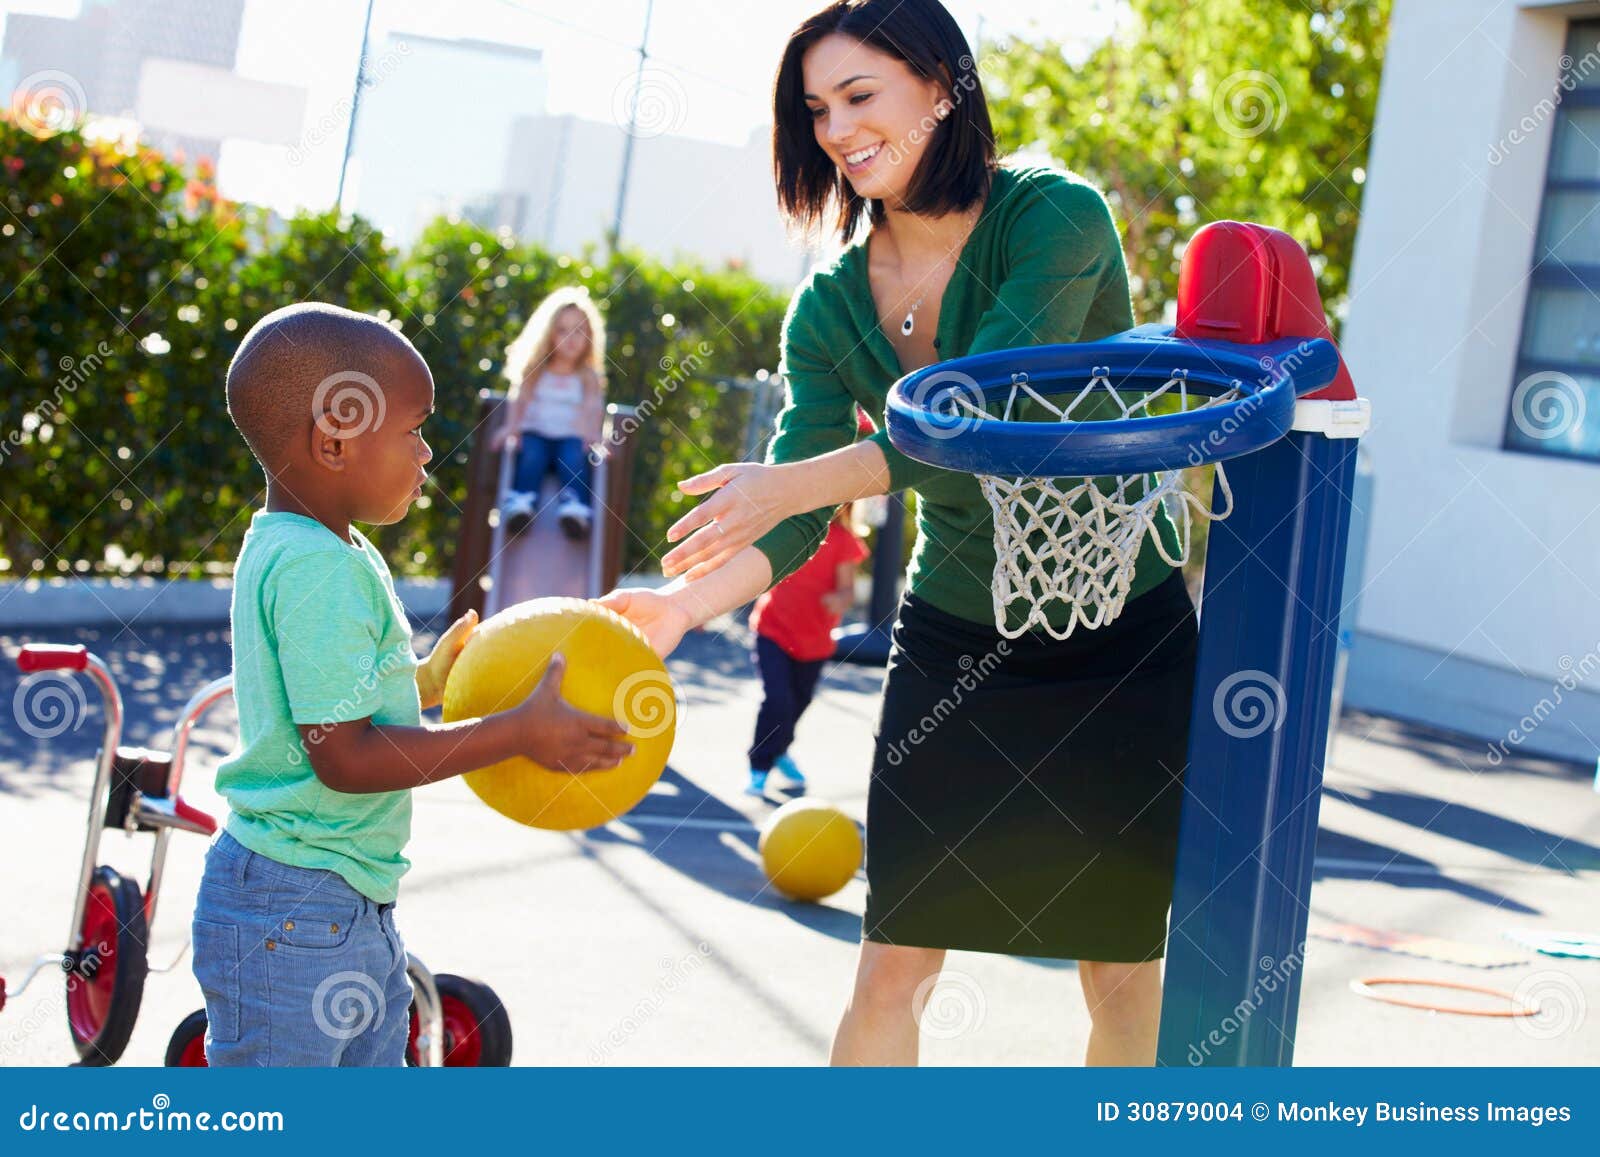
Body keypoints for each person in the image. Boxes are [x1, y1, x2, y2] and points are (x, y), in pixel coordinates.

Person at [602, 0, 1199, 1066]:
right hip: (957, 636)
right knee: (892, 959)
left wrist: (790, 482)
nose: (835, 127)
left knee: (1117, 968)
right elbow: (799, 523)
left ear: (939, 86)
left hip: (1119, 630)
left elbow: (988, 417)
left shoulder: (1053, 216)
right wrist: (682, 604)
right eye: (817, 108)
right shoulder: (829, 308)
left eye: (859, 95)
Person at [196, 302, 631, 1066]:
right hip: (293, 909)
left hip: (338, 897)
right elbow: (346, 758)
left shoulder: (321, 544)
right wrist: (517, 732)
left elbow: (336, 700)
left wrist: (424, 681)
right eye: (413, 431)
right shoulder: (315, 568)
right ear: (334, 437)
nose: (428, 453)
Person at [746, 505, 869, 797]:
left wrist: (839, 599)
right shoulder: (790, 527)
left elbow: (847, 590)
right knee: (778, 699)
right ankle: (759, 767)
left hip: (813, 643)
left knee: (798, 702)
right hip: (772, 631)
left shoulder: (844, 541)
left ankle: (780, 750)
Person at [498, 288, 607, 540]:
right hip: (536, 432)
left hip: (569, 434)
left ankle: (574, 508)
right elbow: (520, 396)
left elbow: (593, 405)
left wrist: (591, 433)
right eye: (563, 330)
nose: (572, 338)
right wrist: (511, 427)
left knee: (575, 457)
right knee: (531, 455)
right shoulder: (536, 368)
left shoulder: (587, 375)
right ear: (548, 333)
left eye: (579, 331)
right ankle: (522, 503)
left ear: (590, 335)